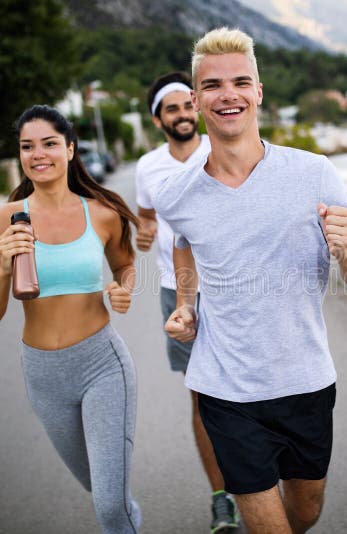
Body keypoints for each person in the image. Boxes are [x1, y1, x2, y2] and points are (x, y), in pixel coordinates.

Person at [153, 28, 347, 534]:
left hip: (305, 381)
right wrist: (186, 302)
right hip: (225, 388)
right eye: (212, 85)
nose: (227, 95)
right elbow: (182, 243)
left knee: (306, 512)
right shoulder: (176, 194)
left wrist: (345, 248)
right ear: (196, 99)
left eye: (239, 82)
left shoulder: (314, 173)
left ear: (258, 91)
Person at [0, 105, 141, 533]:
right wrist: (3, 268)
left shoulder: (102, 212)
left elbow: (125, 266)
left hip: (102, 365)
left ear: (70, 149)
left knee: (109, 504)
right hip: (43, 375)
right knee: (99, 488)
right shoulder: (3, 220)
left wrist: (123, 289)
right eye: (27, 146)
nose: (38, 154)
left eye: (49, 144)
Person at [134, 72, 239, 533]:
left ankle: (258, 477)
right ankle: (222, 498)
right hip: (176, 292)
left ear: (197, 107)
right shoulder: (148, 167)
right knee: (204, 398)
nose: (181, 114)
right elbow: (145, 218)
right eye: (170, 108)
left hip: (233, 287)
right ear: (159, 120)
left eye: (186, 105)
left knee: (250, 388)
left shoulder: (223, 149)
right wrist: (142, 234)